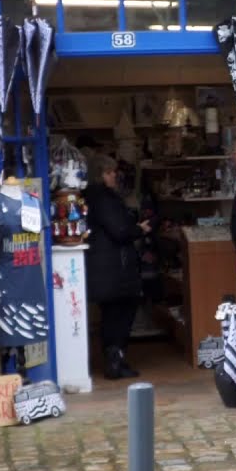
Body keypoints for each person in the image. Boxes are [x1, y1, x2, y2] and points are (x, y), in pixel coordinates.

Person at [84, 154, 153, 380]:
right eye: (110, 172)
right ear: (101, 175)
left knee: (112, 316)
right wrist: (138, 229)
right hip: (115, 269)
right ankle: (116, 361)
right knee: (120, 316)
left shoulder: (95, 198)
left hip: (106, 268)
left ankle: (115, 359)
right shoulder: (105, 199)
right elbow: (119, 231)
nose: (115, 175)